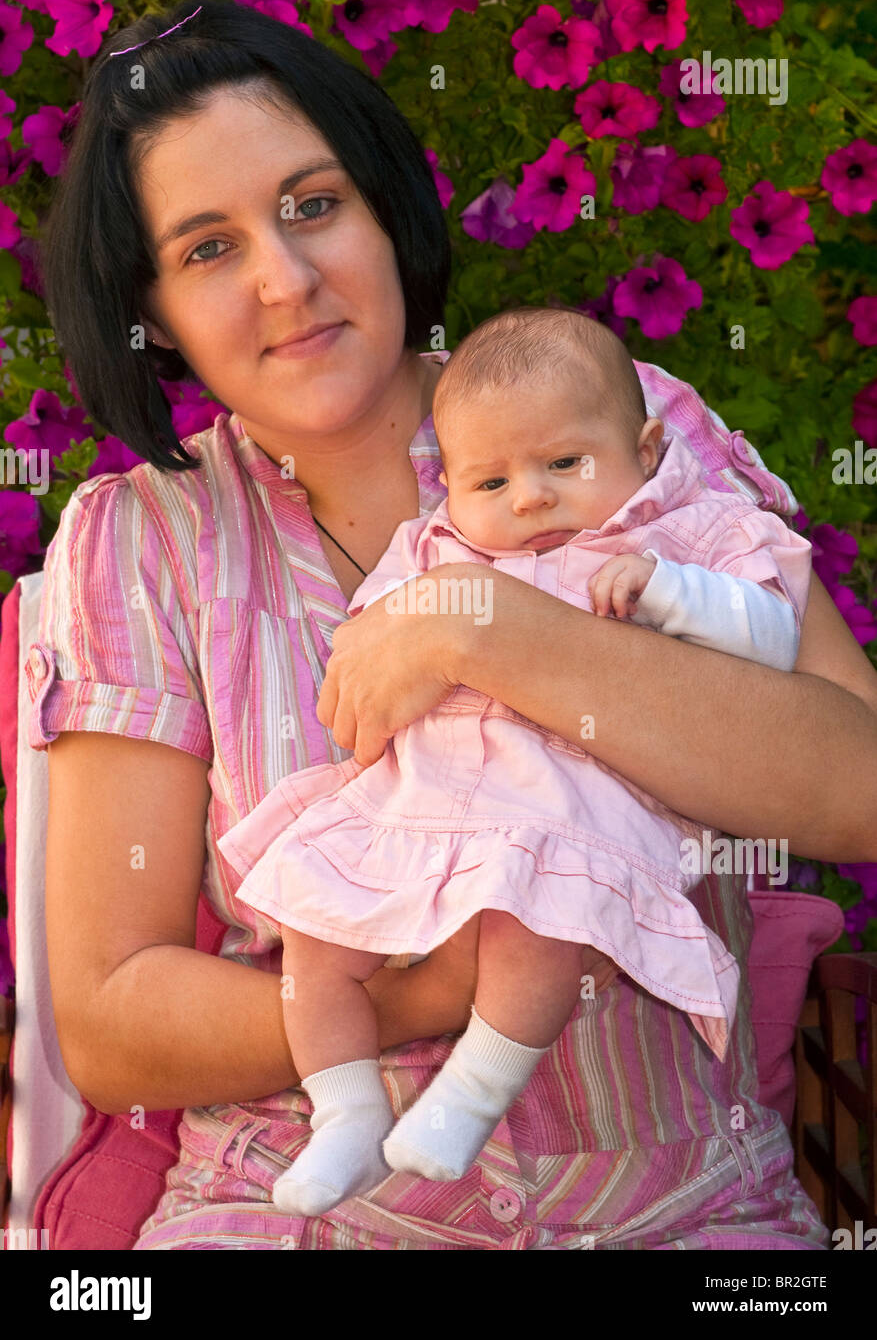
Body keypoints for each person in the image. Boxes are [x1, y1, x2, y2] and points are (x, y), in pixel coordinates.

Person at [26, 0, 877, 1250]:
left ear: (385, 209)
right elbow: (108, 1015)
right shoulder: (149, 539)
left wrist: (490, 632)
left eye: (314, 206)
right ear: (147, 306)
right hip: (292, 1209)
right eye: (208, 249)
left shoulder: (619, 433)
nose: (285, 277)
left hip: (676, 1208)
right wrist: (432, 989)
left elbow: (857, 788)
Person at [220, 306, 812, 1216]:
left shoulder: (687, 537)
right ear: (447, 486)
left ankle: (471, 1093)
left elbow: (774, 642)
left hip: (573, 798)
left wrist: (673, 592)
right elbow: (370, 648)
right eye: (489, 480)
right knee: (314, 938)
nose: (529, 499)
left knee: (536, 922)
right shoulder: (436, 548)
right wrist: (395, 646)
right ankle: (343, 1111)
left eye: (563, 465)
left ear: (647, 450)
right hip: (424, 796)